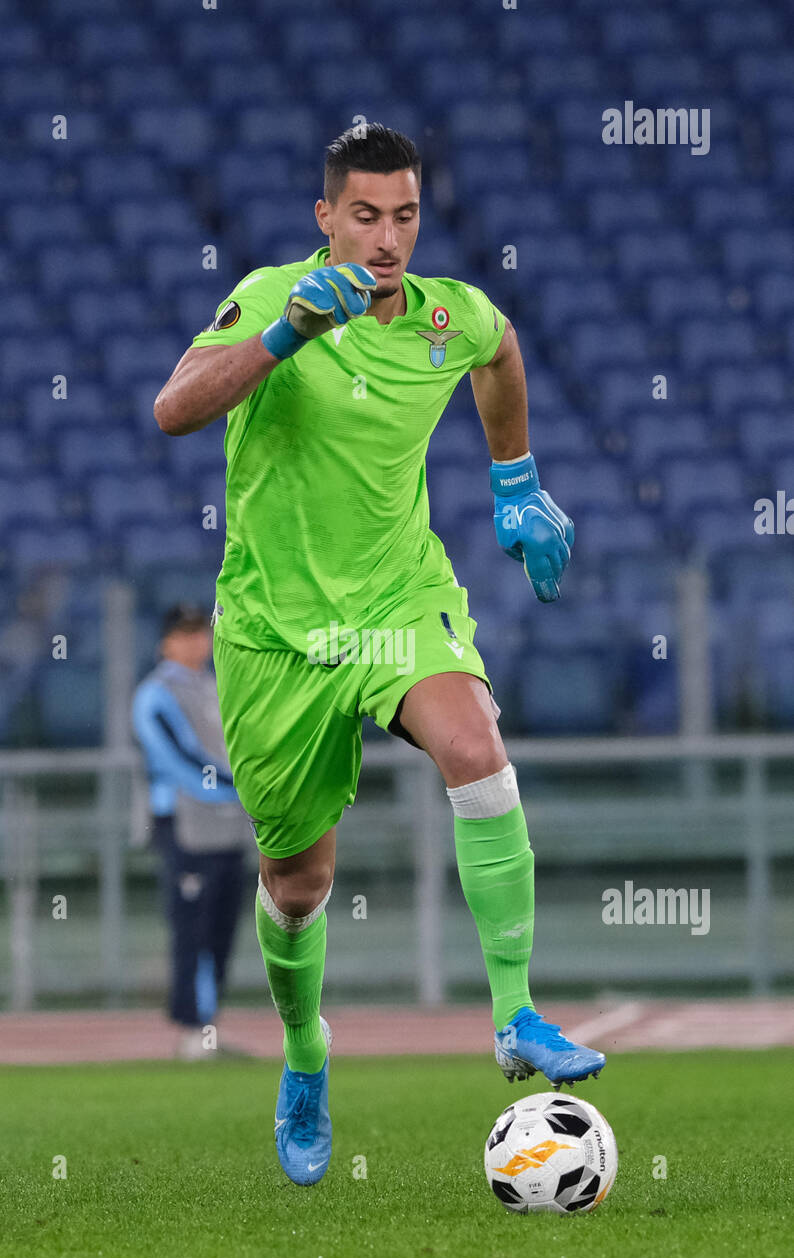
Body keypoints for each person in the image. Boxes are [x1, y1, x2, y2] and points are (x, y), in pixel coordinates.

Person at [154, 123, 605, 1180]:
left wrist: (513, 480)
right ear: (326, 218)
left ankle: (512, 1013)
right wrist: (282, 340)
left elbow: (498, 349)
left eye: (403, 214)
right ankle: (306, 1051)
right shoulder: (276, 295)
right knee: (299, 880)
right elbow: (173, 408)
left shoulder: (448, 313)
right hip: (275, 634)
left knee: (476, 748)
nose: (387, 236)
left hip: (399, 599)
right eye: (365, 215)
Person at [132, 604, 248, 1058]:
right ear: (166, 642)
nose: (197, 642)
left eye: (201, 632)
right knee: (192, 928)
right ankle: (193, 1028)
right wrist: (241, 789)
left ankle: (208, 1028)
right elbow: (177, 760)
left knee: (222, 927)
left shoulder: (214, 687)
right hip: (184, 824)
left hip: (226, 825)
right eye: (186, 634)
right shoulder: (155, 694)